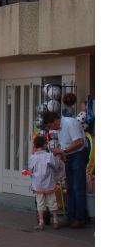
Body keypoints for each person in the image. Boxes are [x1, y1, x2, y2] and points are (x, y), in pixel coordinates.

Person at [58, 92, 89, 228]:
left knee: (77, 187)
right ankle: (71, 217)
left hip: (78, 154)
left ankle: (79, 218)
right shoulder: (61, 125)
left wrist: (64, 151)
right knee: (70, 187)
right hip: (70, 156)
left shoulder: (70, 122)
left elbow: (79, 141)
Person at [27, 133, 63, 231]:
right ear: (44, 145)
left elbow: (30, 171)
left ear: (34, 145)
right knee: (52, 202)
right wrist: (59, 159)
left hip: (38, 185)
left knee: (40, 204)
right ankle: (55, 221)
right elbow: (56, 166)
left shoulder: (32, 157)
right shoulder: (49, 156)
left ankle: (41, 222)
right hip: (49, 184)